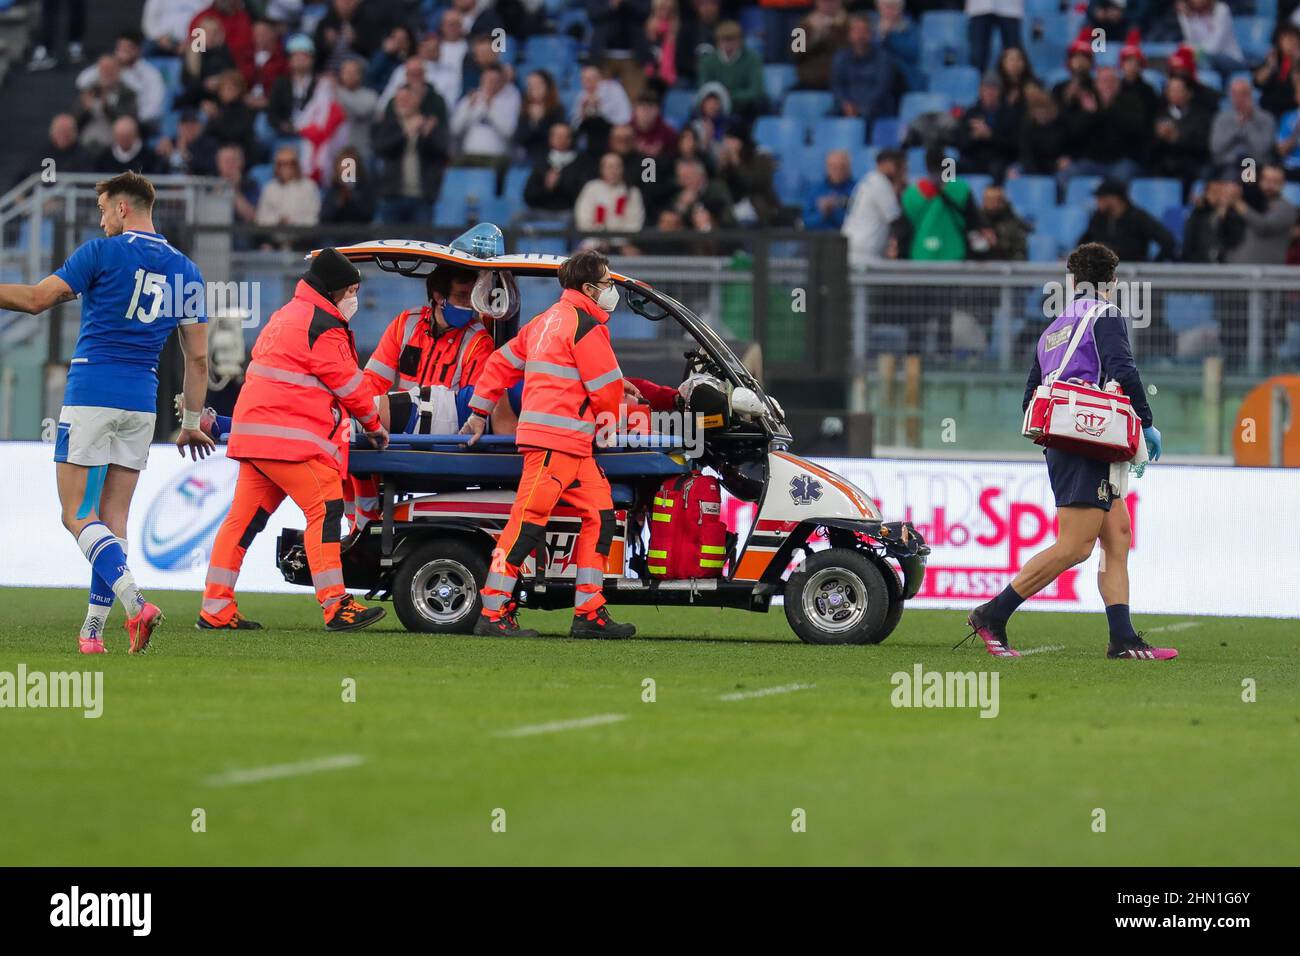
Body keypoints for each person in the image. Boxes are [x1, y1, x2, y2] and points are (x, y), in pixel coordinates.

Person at [0, 171, 213, 654]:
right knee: (113, 521)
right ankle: (92, 633)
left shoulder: (101, 253)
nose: (100, 221)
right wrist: (192, 423)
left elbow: (37, 300)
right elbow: (197, 358)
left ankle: (137, 604)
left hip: (92, 391)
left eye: (102, 210)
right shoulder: (188, 272)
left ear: (122, 208)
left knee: (76, 515)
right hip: (141, 403)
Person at [966, 242, 1177, 661]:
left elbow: (1031, 394)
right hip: (1087, 441)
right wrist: (1147, 423)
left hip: (1070, 440)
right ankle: (992, 614)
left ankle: (1122, 638)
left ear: (1072, 281)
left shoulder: (1053, 328)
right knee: (1077, 546)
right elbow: (1123, 368)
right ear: (1111, 283)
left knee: (1117, 534)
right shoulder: (1107, 315)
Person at [200, 248, 389, 632]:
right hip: (292, 440)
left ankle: (215, 608)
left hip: (255, 438)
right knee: (325, 510)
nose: (354, 297)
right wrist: (374, 424)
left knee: (242, 522)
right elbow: (350, 385)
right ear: (334, 289)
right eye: (351, 289)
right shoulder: (323, 326)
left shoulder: (286, 315)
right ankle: (337, 605)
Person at [459, 249, 638, 640]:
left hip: (564, 445)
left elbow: (499, 364)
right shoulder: (586, 325)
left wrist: (478, 412)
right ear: (589, 288)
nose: (612, 290)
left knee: (600, 516)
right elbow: (605, 392)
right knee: (525, 526)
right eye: (607, 283)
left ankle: (588, 612)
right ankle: (493, 611)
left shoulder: (546, 322)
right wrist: (622, 414)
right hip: (559, 444)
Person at [348, 225, 514, 532]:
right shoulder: (405, 324)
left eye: (471, 297)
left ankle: (365, 525)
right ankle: (360, 526)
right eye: (462, 296)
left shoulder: (478, 341)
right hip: (399, 433)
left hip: (444, 439)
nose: (469, 306)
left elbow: (474, 406)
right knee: (348, 438)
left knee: (354, 428)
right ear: (438, 296)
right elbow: (372, 381)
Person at [1078, 179, 1177, 262]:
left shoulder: (1138, 217)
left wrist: (1154, 264)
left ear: (1115, 198)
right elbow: (1084, 242)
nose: (1097, 201)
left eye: (1101, 197)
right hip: (1105, 273)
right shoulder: (1098, 218)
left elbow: (1167, 241)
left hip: (1133, 273)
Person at [842, 148, 905, 263]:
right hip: (865, 252)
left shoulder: (868, 179)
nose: (902, 171)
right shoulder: (880, 183)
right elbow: (896, 220)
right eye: (900, 166)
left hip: (853, 245)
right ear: (888, 164)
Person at [802, 149, 856, 230]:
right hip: (817, 240)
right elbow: (806, 222)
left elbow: (859, 223)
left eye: (842, 167)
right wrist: (823, 213)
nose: (838, 171)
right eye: (833, 167)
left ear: (849, 168)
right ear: (827, 168)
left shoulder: (858, 190)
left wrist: (834, 209)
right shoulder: (815, 190)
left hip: (847, 240)